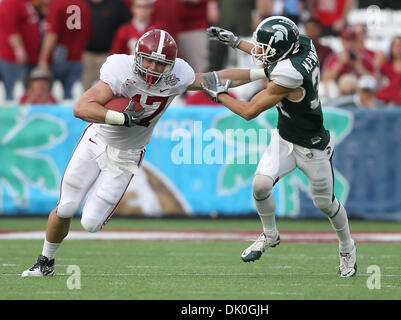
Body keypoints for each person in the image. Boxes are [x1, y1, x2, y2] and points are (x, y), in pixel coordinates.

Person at [21, 28, 253, 277]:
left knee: (90, 224)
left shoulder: (179, 75)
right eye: (149, 59)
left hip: (127, 155)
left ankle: (72, 237)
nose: (153, 67)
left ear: (172, 65)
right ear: (137, 56)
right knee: (66, 207)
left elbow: (214, 79)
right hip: (96, 141)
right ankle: (45, 262)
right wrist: (120, 117)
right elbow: (81, 108)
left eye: (160, 63)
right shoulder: (120, 70)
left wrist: (263, 72)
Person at [205, 16, 357, 277]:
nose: (261, 52)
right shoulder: (304, 44)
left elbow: (250, 110)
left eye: (266, 49)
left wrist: (219, 95)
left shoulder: (290, 73)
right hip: (285, 137)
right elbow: (270, 54)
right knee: (261, 185)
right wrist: (237, 43)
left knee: (326, 204)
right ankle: (270, 234)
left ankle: (347, 247)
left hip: (312, 146)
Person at [38, 0, 93, 100]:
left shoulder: (57, 4)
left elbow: (52, 34)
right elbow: (89, 33)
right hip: (78, 56)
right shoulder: (84, 5)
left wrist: (43, 58)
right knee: (71, 97)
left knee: (48, 96)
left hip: (59, 55)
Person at [81, 0, 132, 91]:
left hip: (107, 56)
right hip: (86, 55)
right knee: (83, 89)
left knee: (106, 91)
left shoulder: (117, 4)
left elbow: (127, 27)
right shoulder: (82, 4)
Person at [0, 0, 40, 101]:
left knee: (28, 90)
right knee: (14, 91)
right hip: (12, 57)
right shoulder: (10, 3)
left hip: (31, 57)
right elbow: (11, 29)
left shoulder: (26, 2)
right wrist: (19, 50)